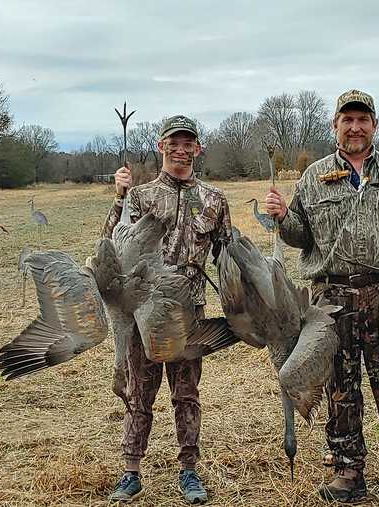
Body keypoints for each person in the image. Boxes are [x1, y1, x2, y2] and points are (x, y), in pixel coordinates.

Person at [265, 89, 379, 507]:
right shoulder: (314, 177)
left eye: (363, 119)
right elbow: (300, 236)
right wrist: (283, 216)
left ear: (374, 125)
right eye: (348, 119)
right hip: (332, 298)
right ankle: (347, 471)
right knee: (340, 387)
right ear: (335, 125)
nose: (355, 127)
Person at [102, 115, 232, 504]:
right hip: (142, 312)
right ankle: (131, 472)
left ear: (198, 148)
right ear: (161, 146)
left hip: (188, 314)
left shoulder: (214, 199)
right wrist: (119, 197)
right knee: (138, 393)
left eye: (187, 142)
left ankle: (189, 470)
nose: (180, 149)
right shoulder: (139, 196)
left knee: (186, 394)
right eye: (173, 142)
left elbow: (228, 256)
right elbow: (109, 246)